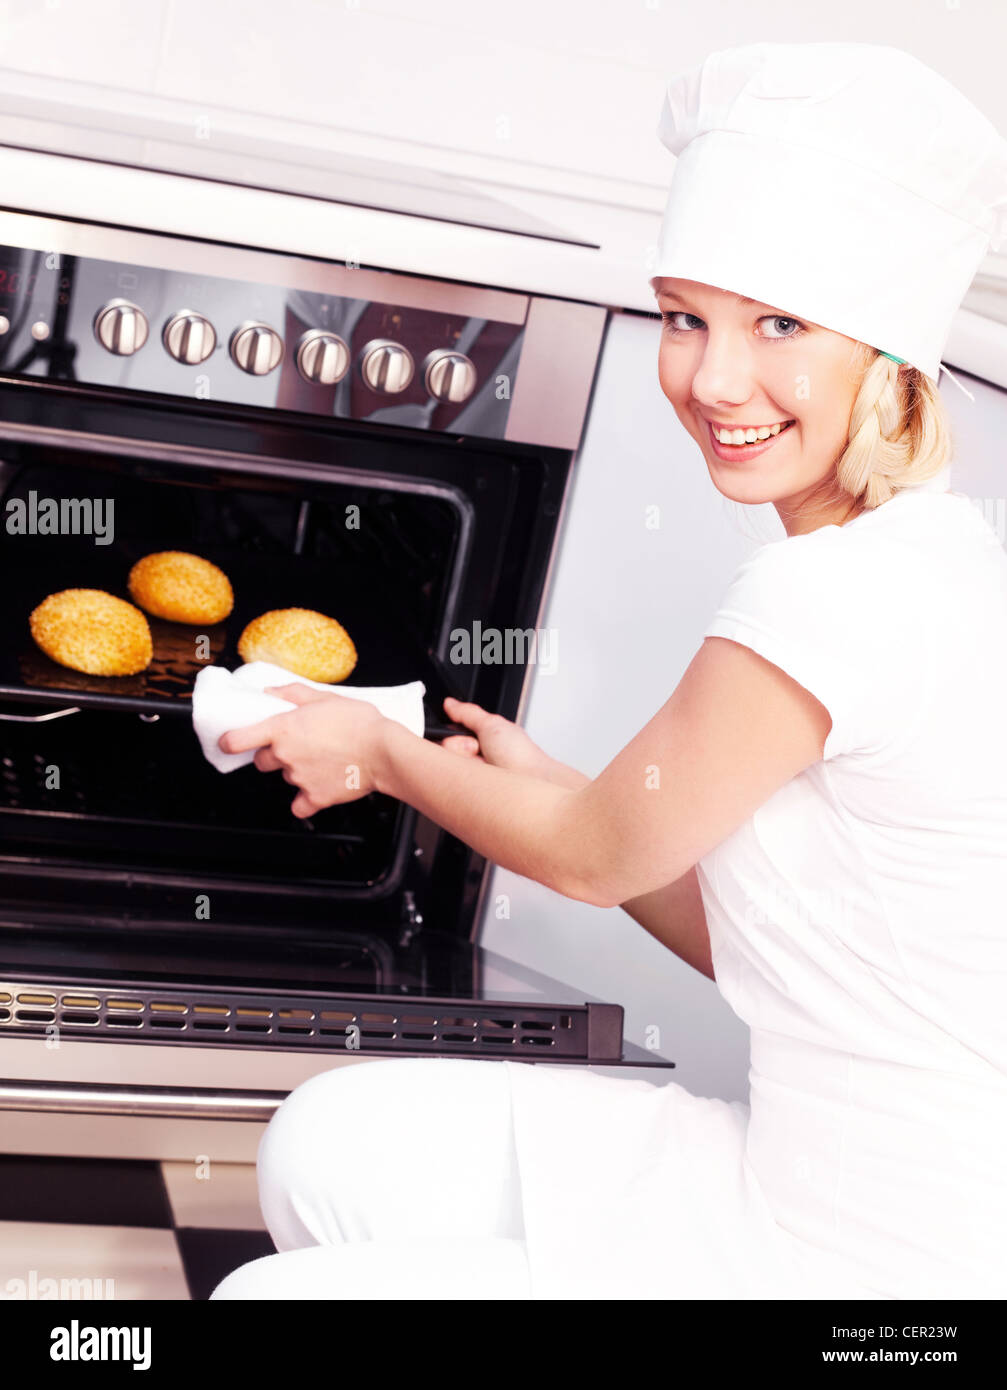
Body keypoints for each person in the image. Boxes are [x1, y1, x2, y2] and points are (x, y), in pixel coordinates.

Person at [210, 41, 1007, 1300]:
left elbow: (593, 851)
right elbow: (757, 940)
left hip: (875, 1271)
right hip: (785, 1186)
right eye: (685, 318)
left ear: (888, 355)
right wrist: (561, 789)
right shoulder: (927, 556)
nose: (712, 377)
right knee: (324, 1142)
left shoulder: (835, 591)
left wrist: (378, 753)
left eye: (779, 324)